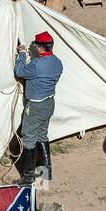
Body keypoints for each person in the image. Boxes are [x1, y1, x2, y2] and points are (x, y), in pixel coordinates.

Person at [14, 31, 63, 183]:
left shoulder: (36, 64)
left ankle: (28, 178)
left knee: (28, 139)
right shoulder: (57, 62)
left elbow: (19, 71)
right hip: (49, 103)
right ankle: (45, 174)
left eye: (36, 45)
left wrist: (22, 54)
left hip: (36, 106)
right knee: (42, 136)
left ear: (41, 48)